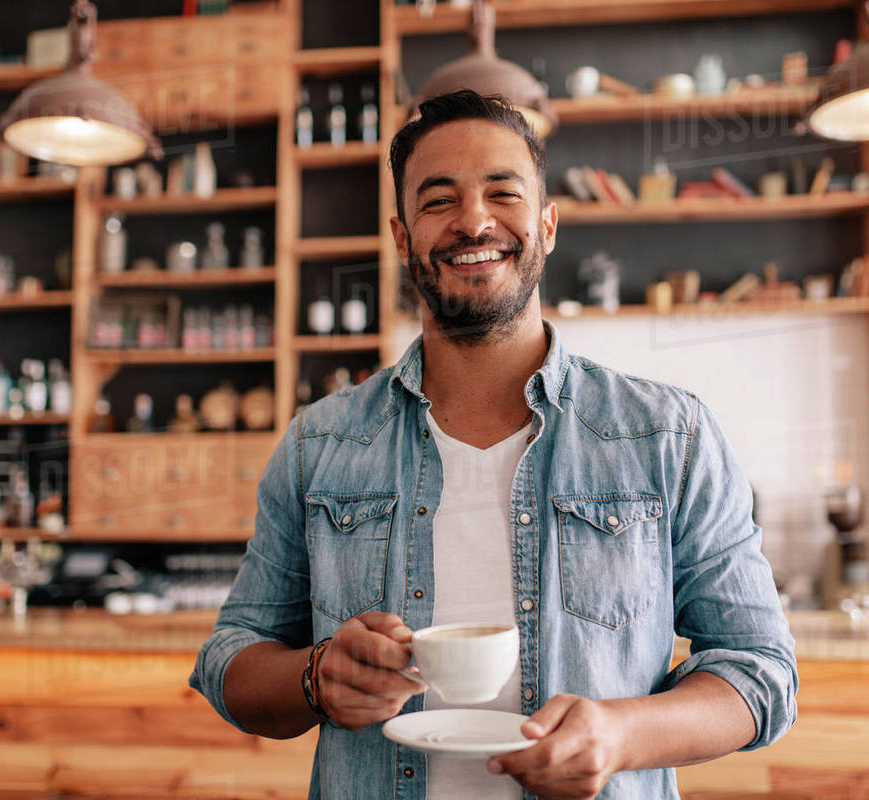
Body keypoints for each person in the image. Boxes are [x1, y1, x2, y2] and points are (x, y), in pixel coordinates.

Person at [191, 89, 797, 799]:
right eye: (438, 200)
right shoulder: (320, 443)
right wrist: (315, 677)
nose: (473, 220)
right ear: (401, 235)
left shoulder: (670, 435)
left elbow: (761, 673)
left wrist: (621, 734)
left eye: (502, 193)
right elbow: (230, 660)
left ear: (547, 223)